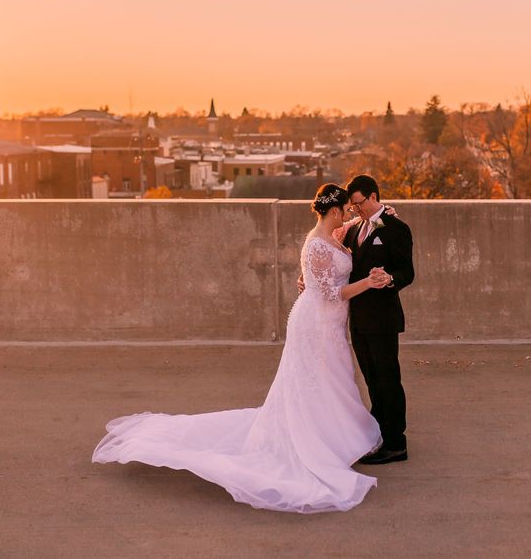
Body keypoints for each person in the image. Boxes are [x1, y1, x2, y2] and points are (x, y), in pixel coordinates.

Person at [92, 184, 391, 513]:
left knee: (333, 382)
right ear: (334, 211)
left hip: (331, 326)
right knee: (316, 384)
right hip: (316, 326)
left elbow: (345, 245)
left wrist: (383, 214)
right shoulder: (316, 244)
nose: (350, 213)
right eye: (347, 209)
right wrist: (368, 282)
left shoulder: (332, 234)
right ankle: (317, 443)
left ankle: (336, 438)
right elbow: (330, 294)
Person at [343, 175, 415, 465]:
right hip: (358, 320)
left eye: (359, 204)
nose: (356, 210)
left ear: (373, 197)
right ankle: (379, 434)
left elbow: (407, 272)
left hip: (383, 319)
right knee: (372, 380)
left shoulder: (397, 228)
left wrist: (389, 280)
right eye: (352, 206)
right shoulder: (353, 230)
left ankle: (397, 443)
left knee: (388, 380)